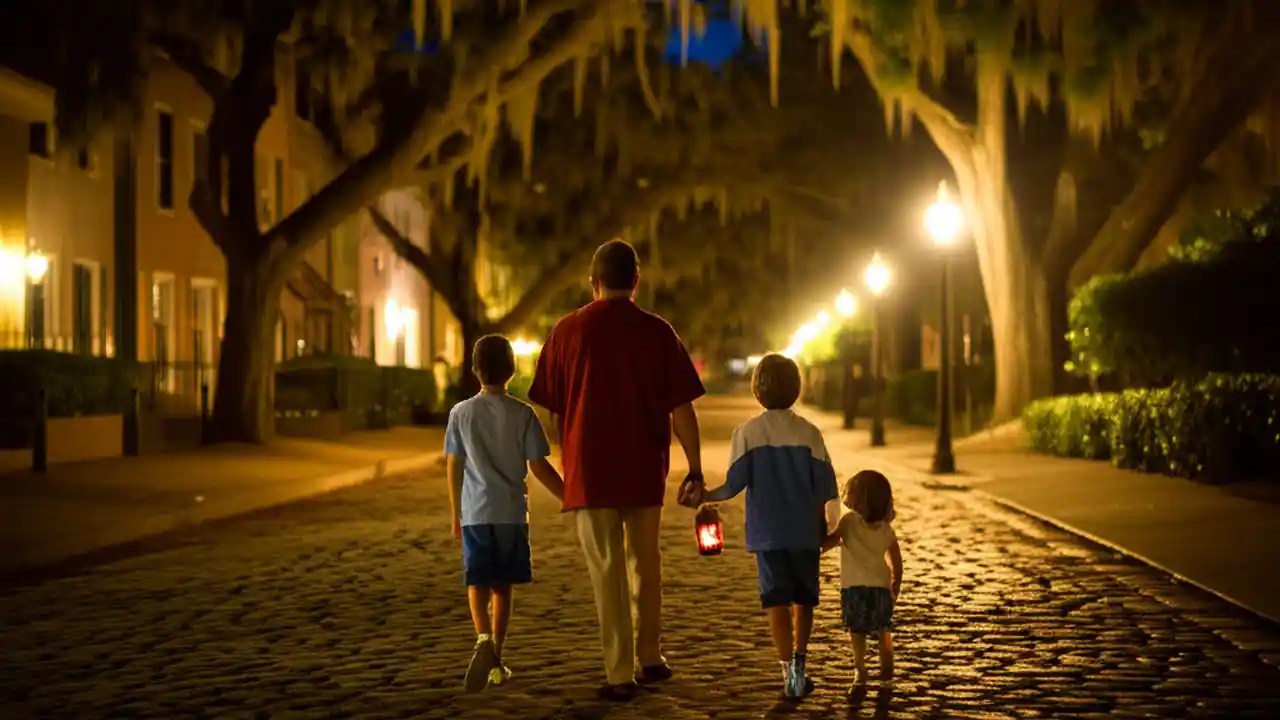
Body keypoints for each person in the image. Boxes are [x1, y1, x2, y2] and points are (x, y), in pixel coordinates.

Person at [528, 239, 705, 702]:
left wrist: (567, 454)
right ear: (637, 281)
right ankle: (651, 655)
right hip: (644, 466)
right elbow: (682, 407)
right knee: (646, 563)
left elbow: (553, 408)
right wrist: (695, 467)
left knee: (606, 569)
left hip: (591, 470)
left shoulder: (567, 331)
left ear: (594, 282)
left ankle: (618, 671)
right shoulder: (658, 332)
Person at [685, 353, 840, 699]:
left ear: (757, 391)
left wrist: (704, 495)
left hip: (768, 534)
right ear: (797, 389)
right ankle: (801, 662)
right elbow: (827, 486)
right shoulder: (810, 433)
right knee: (804, 600)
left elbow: (733, 484)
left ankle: (787, 672)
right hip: (804, 534)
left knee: (775, 602)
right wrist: (832, 526)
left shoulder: (747, 433)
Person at [445, 335, 565, 693]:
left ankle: (482, 640)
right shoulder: (523, 414)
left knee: (477, 581)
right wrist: (568, 495)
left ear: (474, 369)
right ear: (512, 370)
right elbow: (538, 465)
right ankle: (496, 653)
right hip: (511, 513)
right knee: (503, 587)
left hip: (475, 512)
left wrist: (455, 512)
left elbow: (454, 465)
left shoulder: (460, 413)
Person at [824, 469, 903, 692]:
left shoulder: (848, 522)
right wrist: (895, 587)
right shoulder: (887, 530)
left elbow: (830, 542)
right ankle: (887, 673)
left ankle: (860, 670)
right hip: (880, 588)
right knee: (883, 630)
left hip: (853, 588)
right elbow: (896, 562)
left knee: (857, 632)